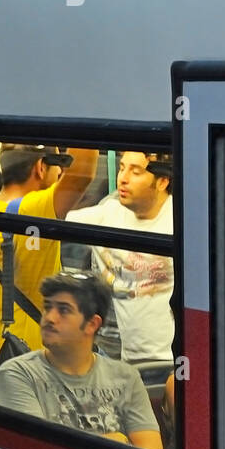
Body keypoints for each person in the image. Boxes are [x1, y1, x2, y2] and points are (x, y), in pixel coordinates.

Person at [0, 271, 163, 449]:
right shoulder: (17, 373)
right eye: (47, 307)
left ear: (92, 324)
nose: (49, 318)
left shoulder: (126, 377)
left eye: (64, 310)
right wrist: (114, 441)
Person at [0, 144, 98, 380]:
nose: (61, 174)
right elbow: (83, 173)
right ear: (41, 168)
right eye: (59, 165)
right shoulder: (36, 210)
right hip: (30, 367)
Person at [64, 152, 173, 364]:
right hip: (128, 362)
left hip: (175, 361)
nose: (122, 178)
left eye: (136, 172)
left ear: (162, 181)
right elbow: (50, 217)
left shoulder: (181, 217)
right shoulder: (108, 215)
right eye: (122, 168)